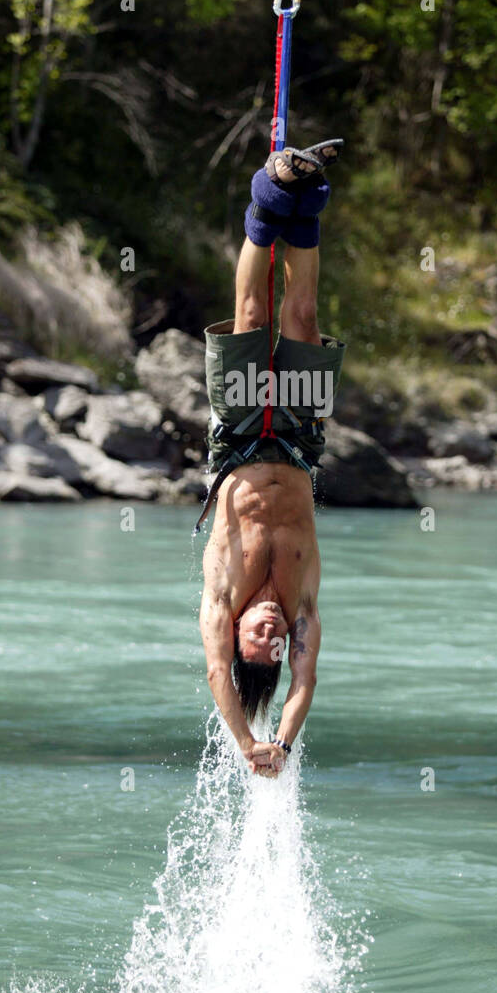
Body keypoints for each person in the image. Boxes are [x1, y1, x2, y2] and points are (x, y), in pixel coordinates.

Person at [197, 139, 345, 777]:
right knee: (305, 316)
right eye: (275, 644)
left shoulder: (222, 599)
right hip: (297, 438)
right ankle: (304, 203)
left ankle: (269, 197)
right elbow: (305, 684)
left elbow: (214, 673)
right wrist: (279, 745)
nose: (271, 632)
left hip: (236, 436)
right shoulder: (303, 606)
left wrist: (243, 743)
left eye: (257, 640)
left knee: (252, 313)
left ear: (237, 640)